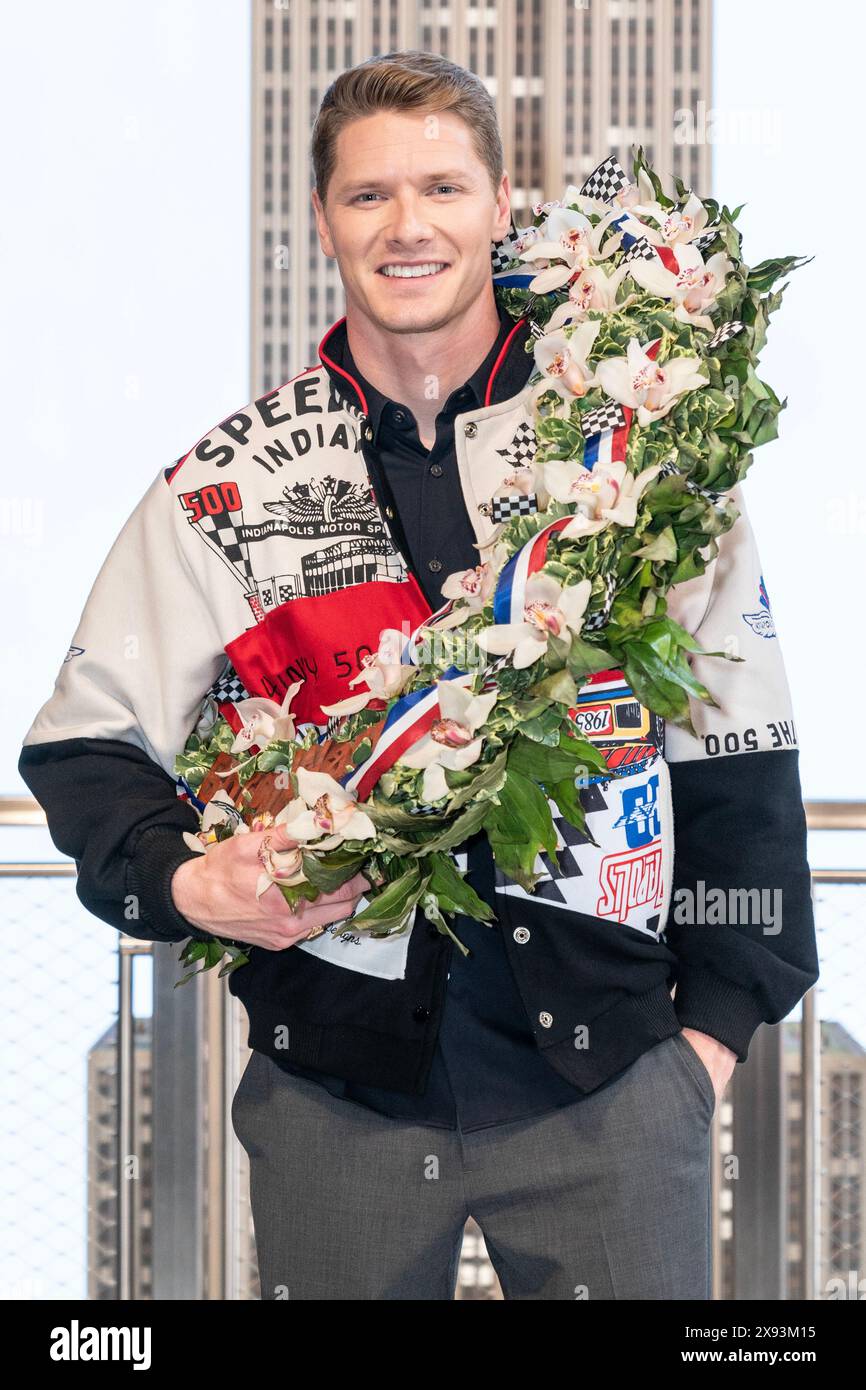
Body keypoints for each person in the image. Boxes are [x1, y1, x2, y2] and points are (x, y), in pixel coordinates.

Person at [19, 51, 819, 1301]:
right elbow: (84, 748)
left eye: (441, 188)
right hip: (335, 1108)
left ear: (502, 207)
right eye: (367, 196)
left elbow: (742, 756)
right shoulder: (229, 487)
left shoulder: (630, 449)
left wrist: (704, 1045)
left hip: (612, 1095)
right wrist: (185, 877)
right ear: (323, 218)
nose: (406, 227)